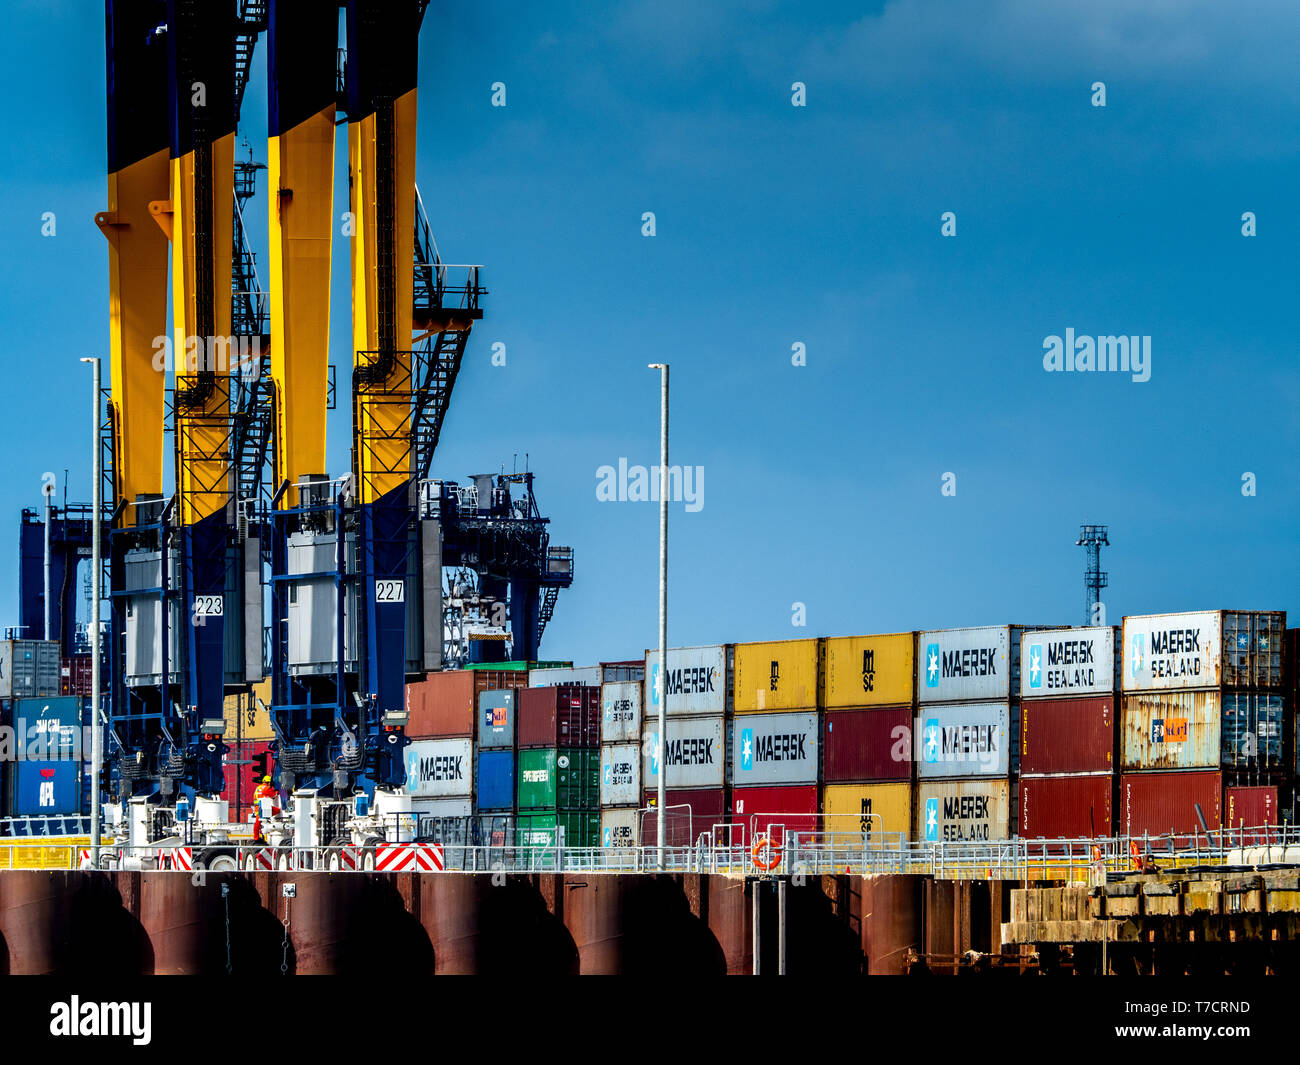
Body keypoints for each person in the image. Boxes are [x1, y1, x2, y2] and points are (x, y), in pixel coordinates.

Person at [251, 774, 279, 843]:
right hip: (263, 808)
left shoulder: (258, 787)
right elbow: (274, 795)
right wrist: (277, 792)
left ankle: (256, 837)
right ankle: (257, 837)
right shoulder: (266, 788)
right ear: (269, 782)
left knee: (257, 822)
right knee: (278, 811)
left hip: (257, 807)